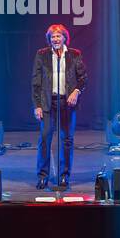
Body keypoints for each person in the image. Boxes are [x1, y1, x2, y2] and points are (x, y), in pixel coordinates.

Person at [31, 23, 88, 190]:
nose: (55, 39)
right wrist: (37, 105)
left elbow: (83, 78)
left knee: (67, 140)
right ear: (49, 39)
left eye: (58, 36)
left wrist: (76, 91)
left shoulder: (75, 55)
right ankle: (43, 176)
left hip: (67, 104)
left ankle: (64, 176)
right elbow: (36, 82)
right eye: (52, 37)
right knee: (45, 139)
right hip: (48, 103)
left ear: (64, 37)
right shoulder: (42, 55)